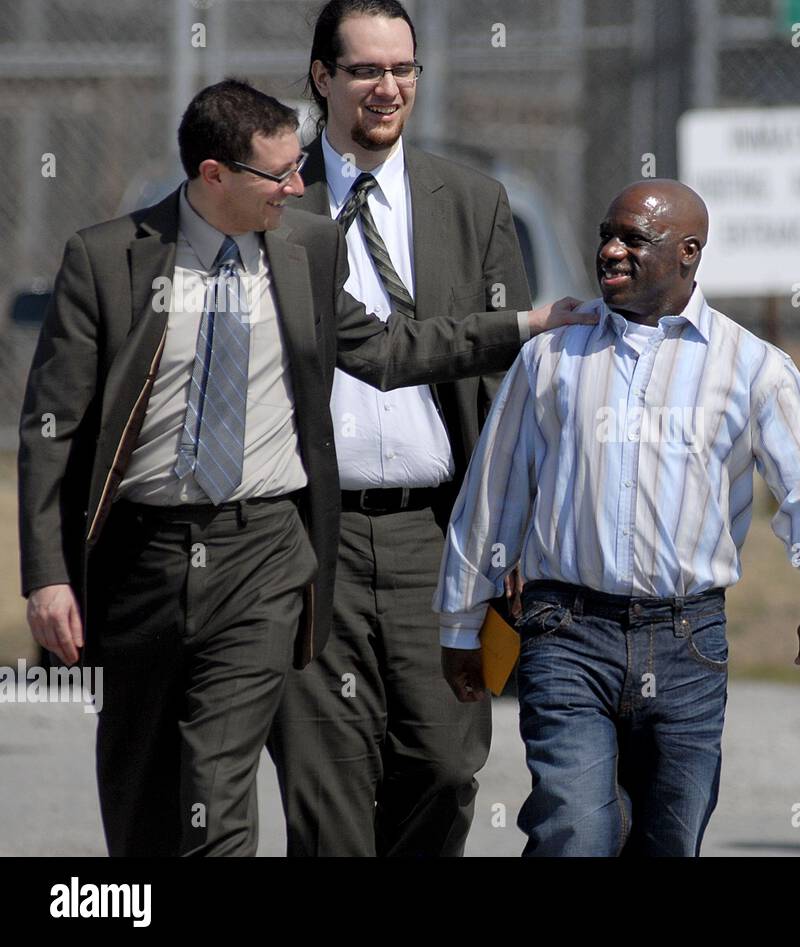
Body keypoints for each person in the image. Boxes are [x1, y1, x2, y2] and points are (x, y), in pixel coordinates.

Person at [18, 78, 583, 857]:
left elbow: (389, 349)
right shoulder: (109, 258)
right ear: (214, 176)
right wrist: (47, 575)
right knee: (142, 788)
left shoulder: (305, 249)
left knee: (216, 789)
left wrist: (524, 323)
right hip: (141, 560)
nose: (298, 186)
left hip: (263, 556)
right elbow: (54, 431)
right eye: (278, 175)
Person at [434, 179, 800, 856]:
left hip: (688, 640)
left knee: (668, 840)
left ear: (689, 253)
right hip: (566, 632)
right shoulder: (552, 356)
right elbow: (496, 491)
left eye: (634, 239)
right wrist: (463, 619)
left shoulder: (751, 367)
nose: (610, 250)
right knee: (575, 829)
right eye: (606, 233)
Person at [266, 0, 558, 858]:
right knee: (326, 798)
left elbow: (513, 384)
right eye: (366, 71)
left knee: (442, 767)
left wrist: (517, 530)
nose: (388, 88)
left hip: (439, 536)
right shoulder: (279, 204)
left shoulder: (472, 203)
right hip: (307, 538)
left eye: (404, 69)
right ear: (322, 79)